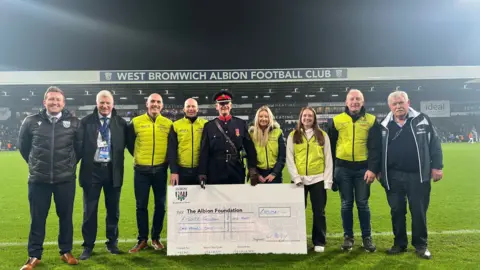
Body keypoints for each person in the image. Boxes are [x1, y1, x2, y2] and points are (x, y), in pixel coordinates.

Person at [18, 86, 83, 269]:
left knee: (65, 217)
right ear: (44, 102)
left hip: (65, 180)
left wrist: (68, 166)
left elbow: (79, 149)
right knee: (37, 218)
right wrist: (36, 165)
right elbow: (23, 147)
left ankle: (66, 251)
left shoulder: (75, 122)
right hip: (39, 180)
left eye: (58, 100)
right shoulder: (31, 121)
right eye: (51, 99)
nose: (55, 102)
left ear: (63, 103)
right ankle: (34, 255)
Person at [379, 90, 443, 259]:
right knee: (397, 211)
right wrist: (379, 170)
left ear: (408, 103)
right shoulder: (383, 125)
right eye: (395, 104)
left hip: (418, 175)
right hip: (393, 176)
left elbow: (435, 144)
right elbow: (377, 151)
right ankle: (399, 244)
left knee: (419, 211)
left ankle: (421, 245)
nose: (398, 106)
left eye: (401, 102)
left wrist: (437, 167)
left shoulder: (422, 119)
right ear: (390, 106)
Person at [327, 89, 381, 252]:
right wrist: (332, 171)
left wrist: (372, 169)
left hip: (363, 169)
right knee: (346, 204)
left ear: (363, 102)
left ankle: (367, 238)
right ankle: (348, 237)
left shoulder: (371, 120)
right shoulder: (336, 121)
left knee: (363, 204)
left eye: (358, 99)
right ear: (346, 102)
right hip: (342, 169)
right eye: (352, 99)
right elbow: (328, 148)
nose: (355, 101)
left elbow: (375, 148)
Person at [78, 90, 128, 260]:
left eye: (108, 103)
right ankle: (88, 245)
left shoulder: (121, 123)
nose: (105, 106)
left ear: (113, 104)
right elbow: (77, 147)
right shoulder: (85, 123)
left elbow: (133, 146)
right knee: (89, 211)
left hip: (113, 171)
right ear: (96, 103)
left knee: (113, 210)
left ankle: (112, 242)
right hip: (92, 171)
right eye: (102, 103)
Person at [127, 93, 173, 253]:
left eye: (158, 102)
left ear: (162, 105)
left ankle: (156, 238)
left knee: (160, 205)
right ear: (147, 104)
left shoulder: (168, 124)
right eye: (152, 101)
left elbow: (171, 147)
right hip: (141, 171)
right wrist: (140, 157)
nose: (155, 104)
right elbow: (129, 143)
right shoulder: (136, 122)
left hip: (161, 170)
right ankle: (142, 240)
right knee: (141, 206)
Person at [286, 107, 333, 253]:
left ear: (314, 118)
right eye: (304, 115)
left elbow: (328, 158)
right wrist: (295, 177)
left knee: (319, 212)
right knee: (298, 212)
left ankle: (319, 241)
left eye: (310, 116)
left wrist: (327, 181)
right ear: (300, 118)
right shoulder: (293, 135)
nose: (307, 118)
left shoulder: (322, 135)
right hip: (299, 180)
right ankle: (298, 240)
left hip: (318, 179)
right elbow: (290, 158)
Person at [198, 90, 259, 186]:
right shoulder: (209, 126)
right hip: (215, 172)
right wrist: (202, 173)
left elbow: (250, 148)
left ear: (230, 105)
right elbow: (204, 151)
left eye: (226, 103)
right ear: (217, 107)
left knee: (237, 200)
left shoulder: (241, 124)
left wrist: (252, 169)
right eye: (221, 103)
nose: (224, 106)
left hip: (236, 170)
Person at [167, 98, 208, 185]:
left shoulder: (205, 124)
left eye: (193, 106)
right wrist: (174, 171)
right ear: (184, 109)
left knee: (201, 198)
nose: (191, 109)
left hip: (200, 171)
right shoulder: (176, 125)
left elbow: (208, 148)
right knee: (182, 198)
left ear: (197, 109)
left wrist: (204, 170)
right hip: (181, 171)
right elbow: (171, 150)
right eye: (188, 106)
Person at [248, 105, 286, 183]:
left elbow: (282, 156)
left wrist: (274, 173)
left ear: (270, 118)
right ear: (257, 118)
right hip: (258, 175)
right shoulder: (251, 134)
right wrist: (257, 175)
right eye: (261, 116)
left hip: (275, 175)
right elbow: (249, 157)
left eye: (266, 116)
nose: (263, 119)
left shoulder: (278, 132)